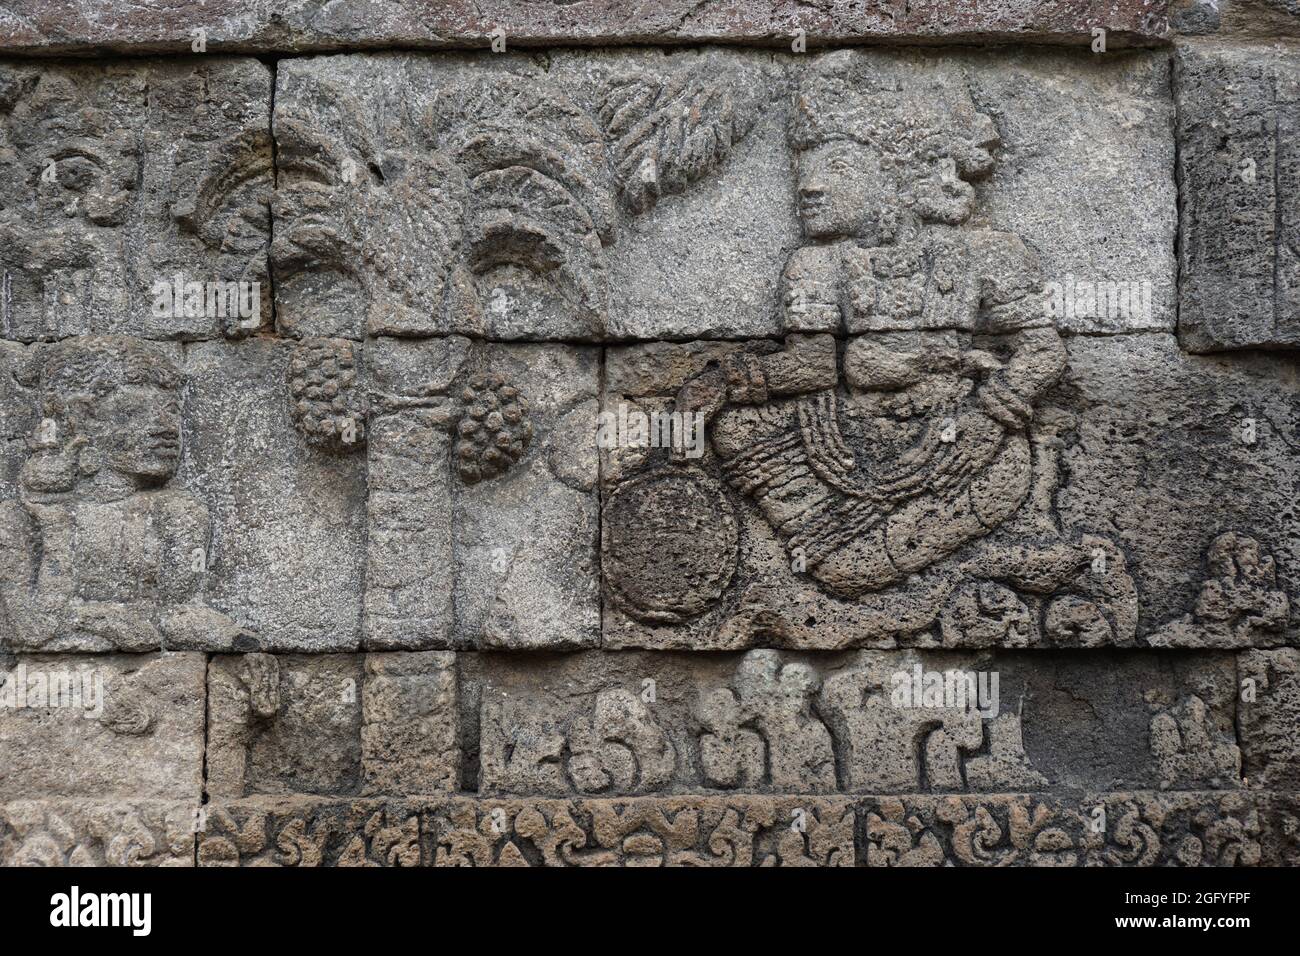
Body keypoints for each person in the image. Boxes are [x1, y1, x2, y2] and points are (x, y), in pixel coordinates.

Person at [675, 56, 1065, 600]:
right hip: (843, 435)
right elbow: (813, 366)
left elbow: (1042, 349)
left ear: (898, 174)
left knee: (854, 567)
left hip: (958, 440)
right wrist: (729, 383)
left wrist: (992, 416)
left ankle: (969, 573)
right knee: (739, 430)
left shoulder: (986, 253)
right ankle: (923, 570)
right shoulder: (815, 265)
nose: (808, 186)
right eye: (800, 169)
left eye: (835, 166)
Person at [0, 335, 253, 650]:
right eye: (140, 411)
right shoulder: (21, 519)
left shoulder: (180, 516)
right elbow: (28, 627)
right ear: (85, 415)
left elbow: (180, 612)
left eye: (172, 412)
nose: (166, 428)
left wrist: (87, 619)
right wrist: (52, 522)